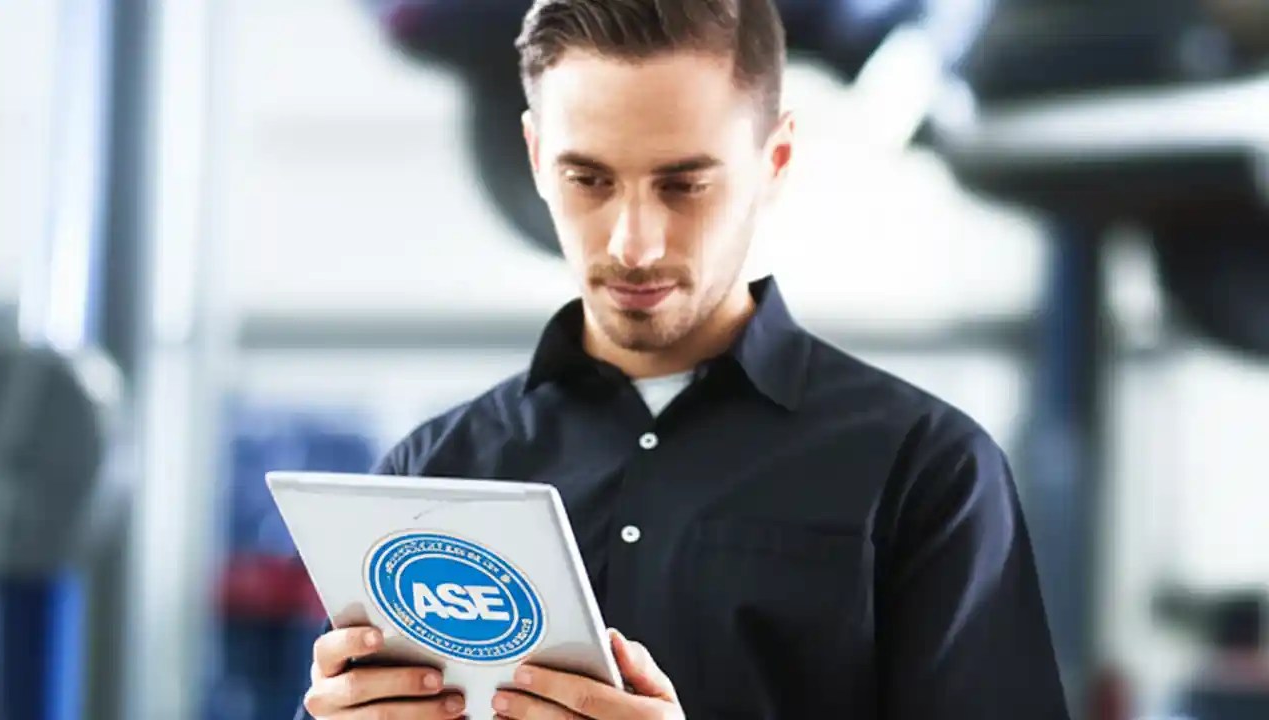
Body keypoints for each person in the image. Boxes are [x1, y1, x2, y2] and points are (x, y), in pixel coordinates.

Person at [296, 0, 1070, 718]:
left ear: (776, 158)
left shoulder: (927, 475)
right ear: (536, 156)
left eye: (684, 183)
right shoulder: (431, 474)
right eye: (588, 179)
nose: (634, 243)